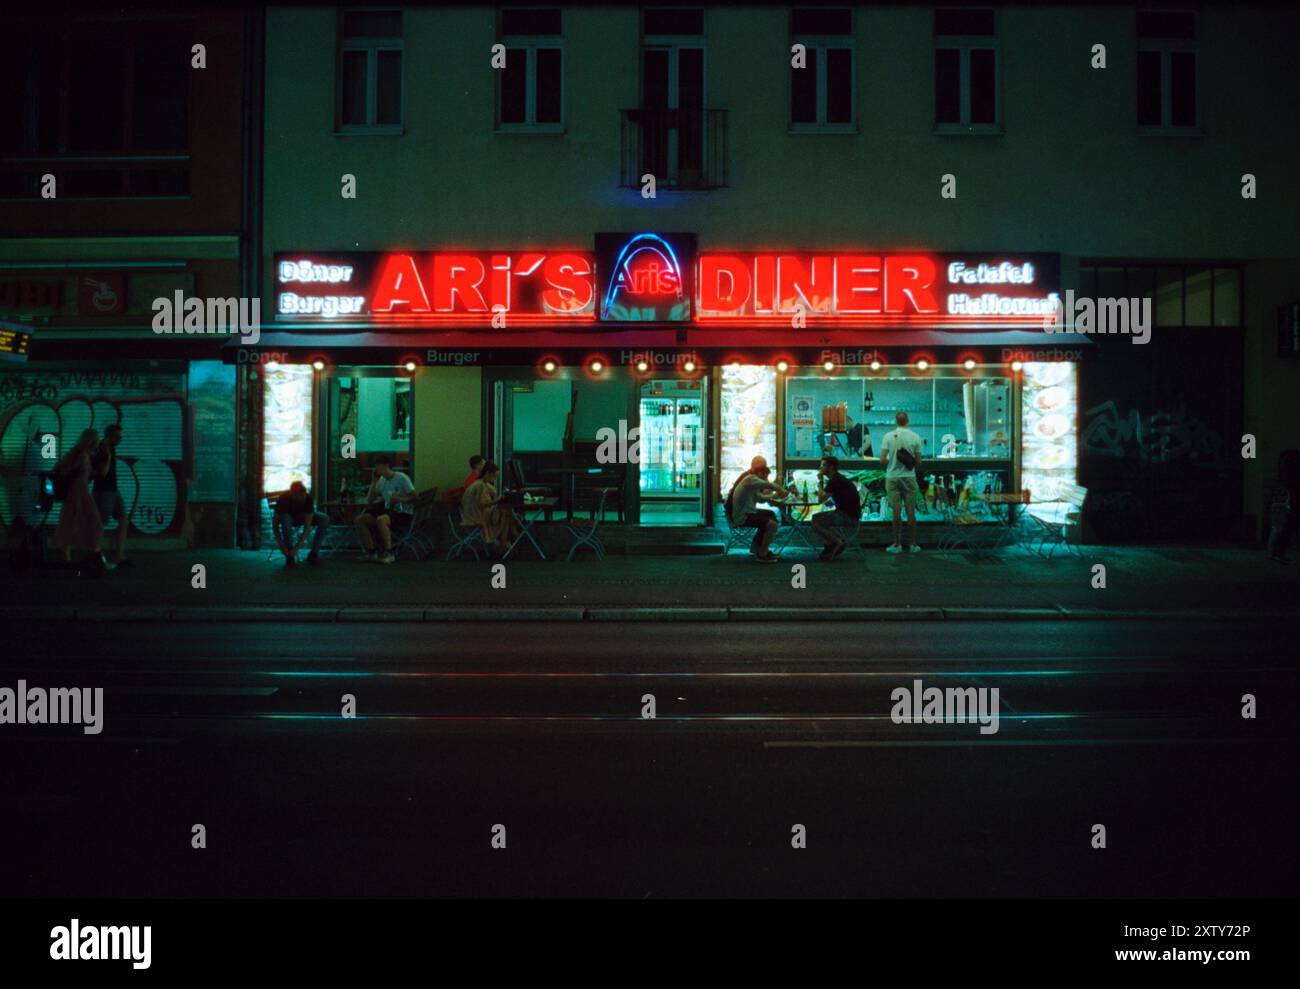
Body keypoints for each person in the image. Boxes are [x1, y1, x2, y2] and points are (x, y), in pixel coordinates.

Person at [54, 428, 108, 571]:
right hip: (78, 493)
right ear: (91, 441)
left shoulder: (80, 453)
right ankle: (95, 555)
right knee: (94, 523)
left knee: (70, 522)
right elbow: (63, 469)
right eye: (97, 440)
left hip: (78, 492)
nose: (98, 442)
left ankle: (68, 558)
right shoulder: (82, 455)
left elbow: (62, 468)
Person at [726, 455, 796, 563]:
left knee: (770, 515)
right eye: (764, 474)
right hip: (742, 516)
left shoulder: (750, 479)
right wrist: (781, 490)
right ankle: (762, 554)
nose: (765, 478)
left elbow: (760, 498)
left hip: (743, 513)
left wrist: (773, 496)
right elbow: (767, 485)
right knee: (772, 524)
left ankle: (758, 548)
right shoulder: (750, 478)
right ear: (759, 472)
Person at [354, 458, 416, 563]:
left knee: (381, 520)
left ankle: (389, 552)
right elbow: (370, 500)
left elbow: (415, 497)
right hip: (389, 511)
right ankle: (371, 552)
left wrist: (400, 499)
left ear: (385, 465)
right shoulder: (382, 481)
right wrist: (373, 482)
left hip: (403, 512)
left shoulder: (401, 478)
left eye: (377, 465)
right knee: (360, 520)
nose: (375, 468)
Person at [880, 411, 924, 554]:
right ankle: (912, 544)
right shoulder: (916, 437)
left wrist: (892, 465)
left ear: (896, 421)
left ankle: (897, 544)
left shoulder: (888, 436)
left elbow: (882, 459)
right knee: (911, 512)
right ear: (908, 421)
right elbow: (918, 462)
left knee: (896, 512)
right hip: (909, 477)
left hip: (892, 477)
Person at [91, 423, 131, 568]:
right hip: (104, 492)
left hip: (113, 490)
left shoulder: (110, 448)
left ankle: (120, 555)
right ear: (110, 436)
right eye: (117, 437)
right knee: (100, 525)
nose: (120, 440)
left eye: (120, 437)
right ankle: (98, 557)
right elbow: (102, 472)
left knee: (123, 521)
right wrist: (107, 457)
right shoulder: (102, 449)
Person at [810, 456, 863, 560]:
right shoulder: (837, 478)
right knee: (822, 520)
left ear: (831, 467)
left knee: (815, 521)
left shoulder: (834, 480)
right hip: (851, 514)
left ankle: (836, 541)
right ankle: (831, 545)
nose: (820, 467)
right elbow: (838, 496)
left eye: (823, 465)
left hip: (848, 517)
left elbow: (821, 499)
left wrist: (820, 481)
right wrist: (830, 500)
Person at [461, 461, 520, 553]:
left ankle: (505, 542)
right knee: (505, 513)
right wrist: (498, 500)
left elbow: (492, 493)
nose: (495, 479)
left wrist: (496, 495)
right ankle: (506, 541)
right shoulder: (480, 485)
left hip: (475, 512)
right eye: (494, 476)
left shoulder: (481, 483)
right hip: (476, 515)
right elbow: (482, 504)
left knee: (506, 512)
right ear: (488, 473)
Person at [274, 480, 329, 567]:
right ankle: (289, 554)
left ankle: (314, 553)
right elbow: (275, 525)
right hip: (289, 520)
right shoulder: (283, 499)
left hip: (303, 517)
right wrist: (282, 546)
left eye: (304, 495)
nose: (303, 498)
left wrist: (297, 548)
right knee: (285, 518)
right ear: (292, 494)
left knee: (324, 518)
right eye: (300, 496)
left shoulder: (308, 498)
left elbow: (307, 527)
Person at [1266, 448, 1299, 564]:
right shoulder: (1293, 460)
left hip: (1293, 491)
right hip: (1294, 491)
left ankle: (1276, 552)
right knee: (1290, 523)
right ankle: (1277, 552)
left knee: (1289, 522)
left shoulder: (1288, 460)